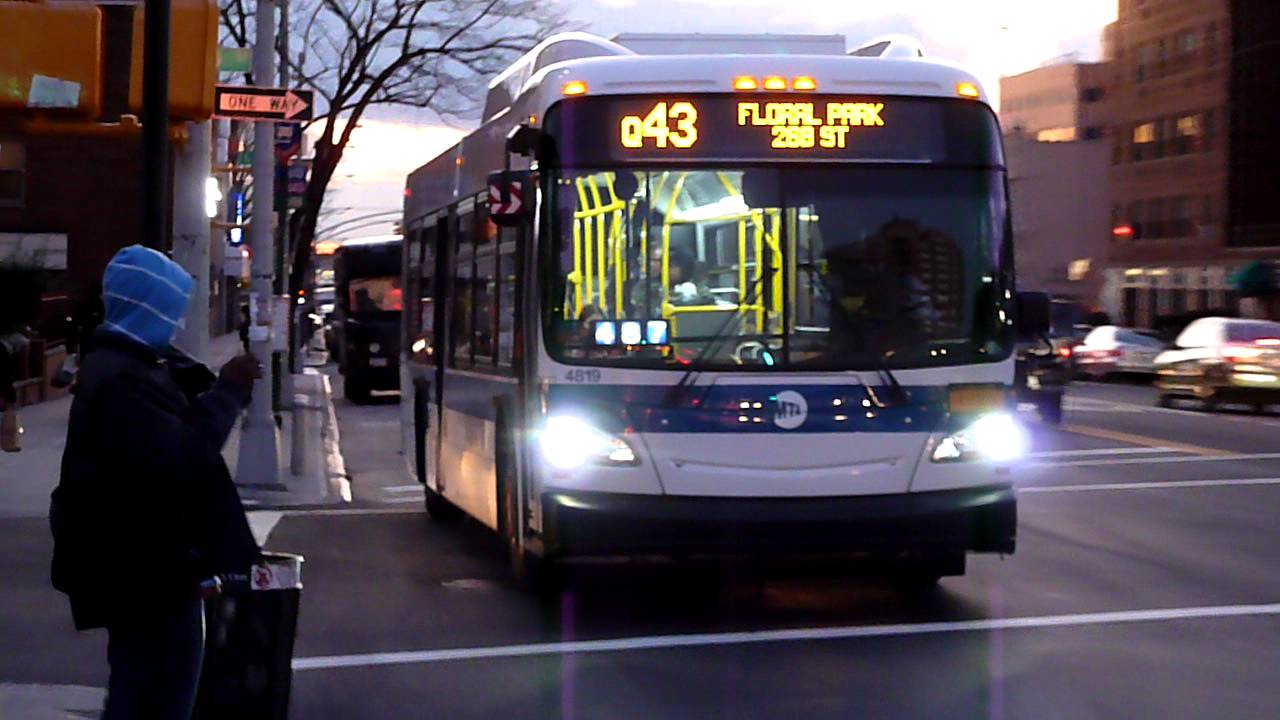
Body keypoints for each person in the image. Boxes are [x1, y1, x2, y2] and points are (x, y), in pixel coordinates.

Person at [49, 245, 262, 719]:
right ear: (149, 306)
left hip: (142, 570)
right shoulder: (123, 377)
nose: (178, 321)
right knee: (156, 696)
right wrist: (227, 392)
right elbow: (182, 458)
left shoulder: (127, 366)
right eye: (172, 309)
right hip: (147, 575)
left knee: (144, 691)